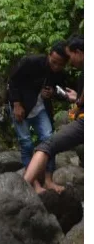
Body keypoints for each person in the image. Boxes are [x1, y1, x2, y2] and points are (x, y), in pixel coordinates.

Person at [23, 36, 84, 193]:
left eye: (70, 57)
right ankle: (31, 186)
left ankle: (23, 189)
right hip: (80, 122)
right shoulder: (33, 63)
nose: (69, 62)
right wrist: (76, 98)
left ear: (79, 52)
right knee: (39, 145)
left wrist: (78, 103)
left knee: (45, 146)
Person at [6, 41, 69, 169]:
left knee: (49, 140)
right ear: (49, 55)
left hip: (41, 108)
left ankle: (47, 176)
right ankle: (31, 181)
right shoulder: (31, 62)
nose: (56, 67)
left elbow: (62, 91)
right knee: (26, 143)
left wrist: (53, 93)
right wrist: (16, 105)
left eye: (60, 64)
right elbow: (13, 81)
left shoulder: (60, 73)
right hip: (22, 105)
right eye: (53, 62)